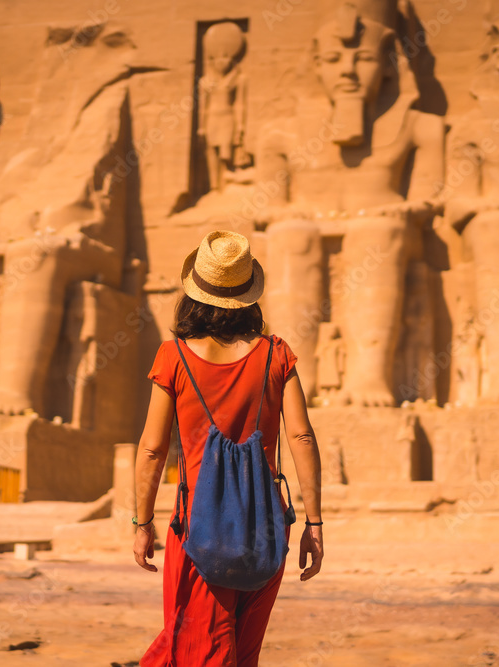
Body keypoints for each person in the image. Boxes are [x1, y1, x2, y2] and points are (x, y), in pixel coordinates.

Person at [133, 230, 324, 666]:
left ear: (194, 294)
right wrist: (315, 523)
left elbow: (151, 449)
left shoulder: (173, 357)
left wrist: (141, 522)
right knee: (241, 654)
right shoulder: (277, 355)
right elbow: (302, 438)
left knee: (200, 651)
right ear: (249, 296)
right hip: (266, 526)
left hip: (199, 529)